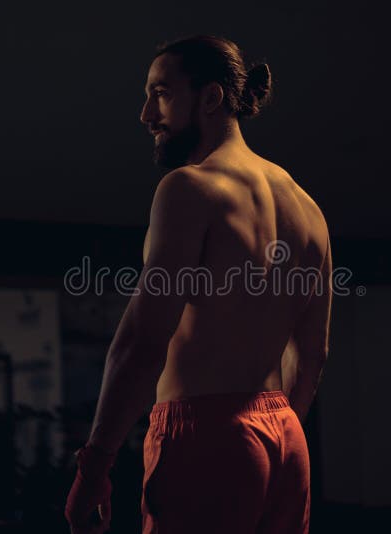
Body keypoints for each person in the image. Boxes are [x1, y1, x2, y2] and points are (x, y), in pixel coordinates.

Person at [65, 35, 332, 534]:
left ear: (211, 98)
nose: (147, 115)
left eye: (161, 93)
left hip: (206, 436)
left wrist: (94, 464)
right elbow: (313, 352)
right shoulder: (308, 208)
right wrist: (272, 434)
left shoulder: (190, 189)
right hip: (286, 437)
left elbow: (142, 343)